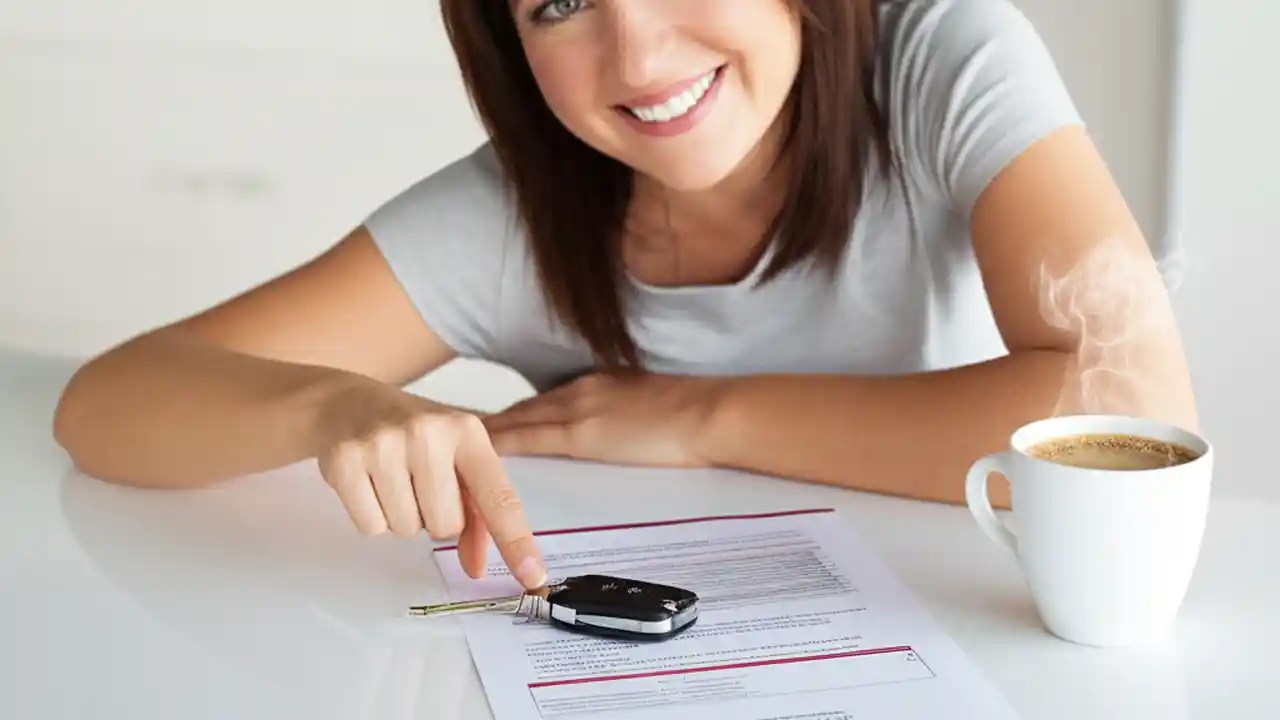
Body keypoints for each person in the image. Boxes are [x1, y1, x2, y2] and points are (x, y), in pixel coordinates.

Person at [52, 0, 1197, 591]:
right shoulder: (508, 216)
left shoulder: (942, 55)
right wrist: (330, 407)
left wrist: (701, 415)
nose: (639, 56)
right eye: (558, 0)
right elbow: (107, 404)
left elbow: (1126, 399)